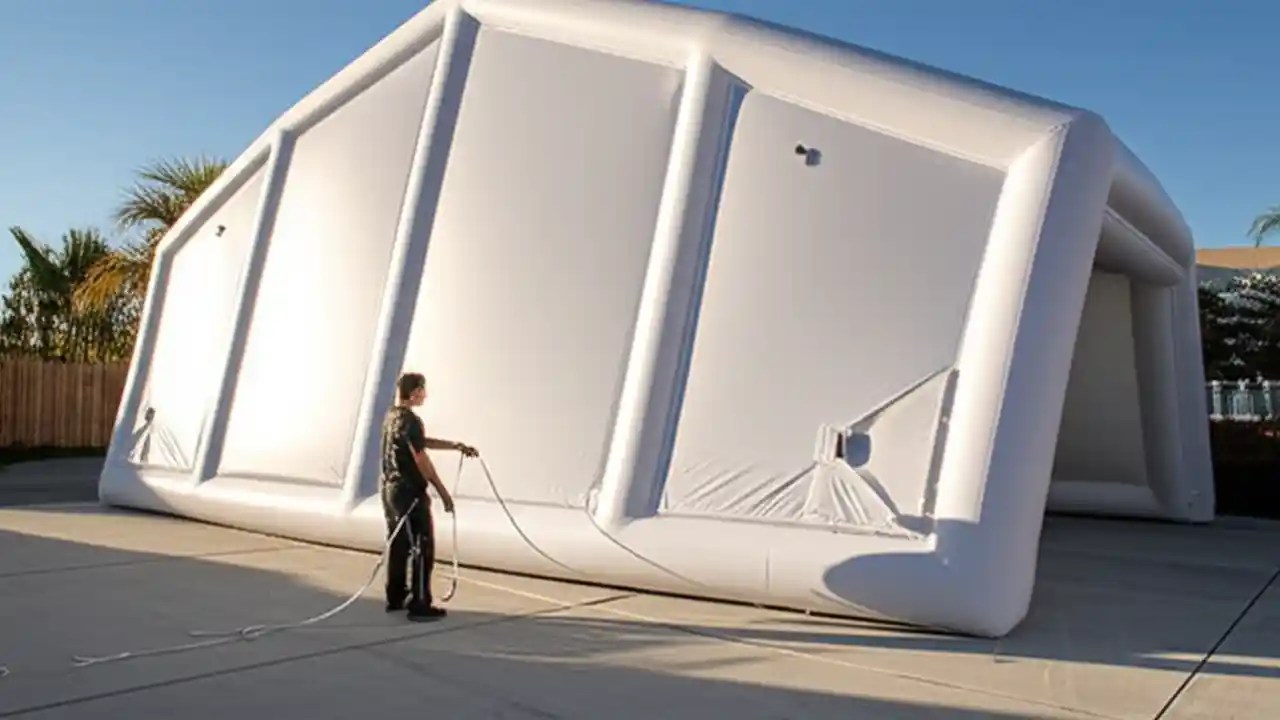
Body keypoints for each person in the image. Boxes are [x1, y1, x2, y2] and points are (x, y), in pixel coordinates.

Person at [380, 371, 477, 621]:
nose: (425, 395)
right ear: (415, 393)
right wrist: (442, 492)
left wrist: (454, 446)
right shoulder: (411, 420)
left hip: (390, 491)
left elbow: (419, 442)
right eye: (423, 390)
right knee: (422, 545)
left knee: (399, 544)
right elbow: (420, 457)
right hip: (410, 491)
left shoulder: (391, 417)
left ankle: (395, 595)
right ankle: (420, 602)